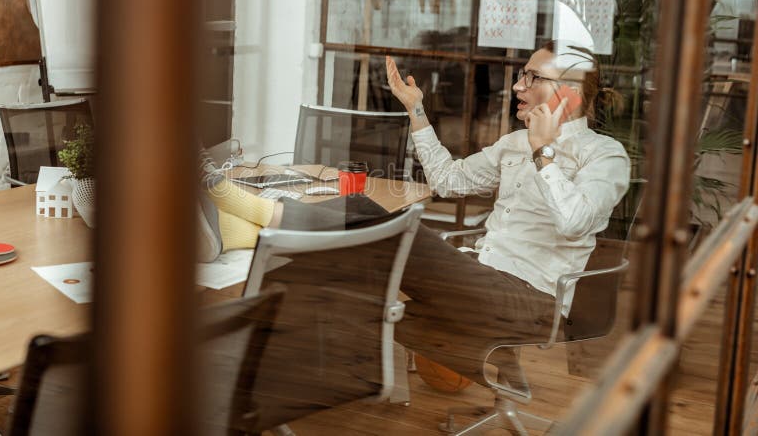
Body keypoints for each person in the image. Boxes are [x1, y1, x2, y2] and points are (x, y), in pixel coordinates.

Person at [205, 39, 629, 382]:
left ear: (567, 95)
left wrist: (544, 152)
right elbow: (449, 181)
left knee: (387, 222)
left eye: (532, 77)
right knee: (356, 252)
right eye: (522, 75)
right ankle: (255, 345)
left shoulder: (605, 156)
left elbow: (575, 223)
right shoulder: (514, 144)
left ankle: (252, 221)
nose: (518, 86)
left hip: (531, 300)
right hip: (479, 275)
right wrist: (416, 108)